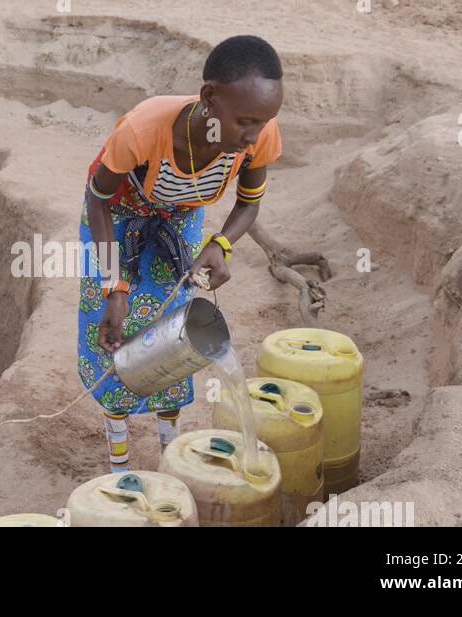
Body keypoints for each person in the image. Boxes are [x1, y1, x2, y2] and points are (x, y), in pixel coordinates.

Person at [77, 35, 284, 472]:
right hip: (114, 220)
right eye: (245, 121)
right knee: (114, 334)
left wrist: (220, 244)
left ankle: (169, 455)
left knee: (174, 333)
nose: (253, 136)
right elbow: (98, 199)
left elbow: (249, 202)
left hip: (179, 220)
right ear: (209, 96)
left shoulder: (258, 135)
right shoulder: (143, 129)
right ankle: (121, 472)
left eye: (263, 123)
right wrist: (114, 284)